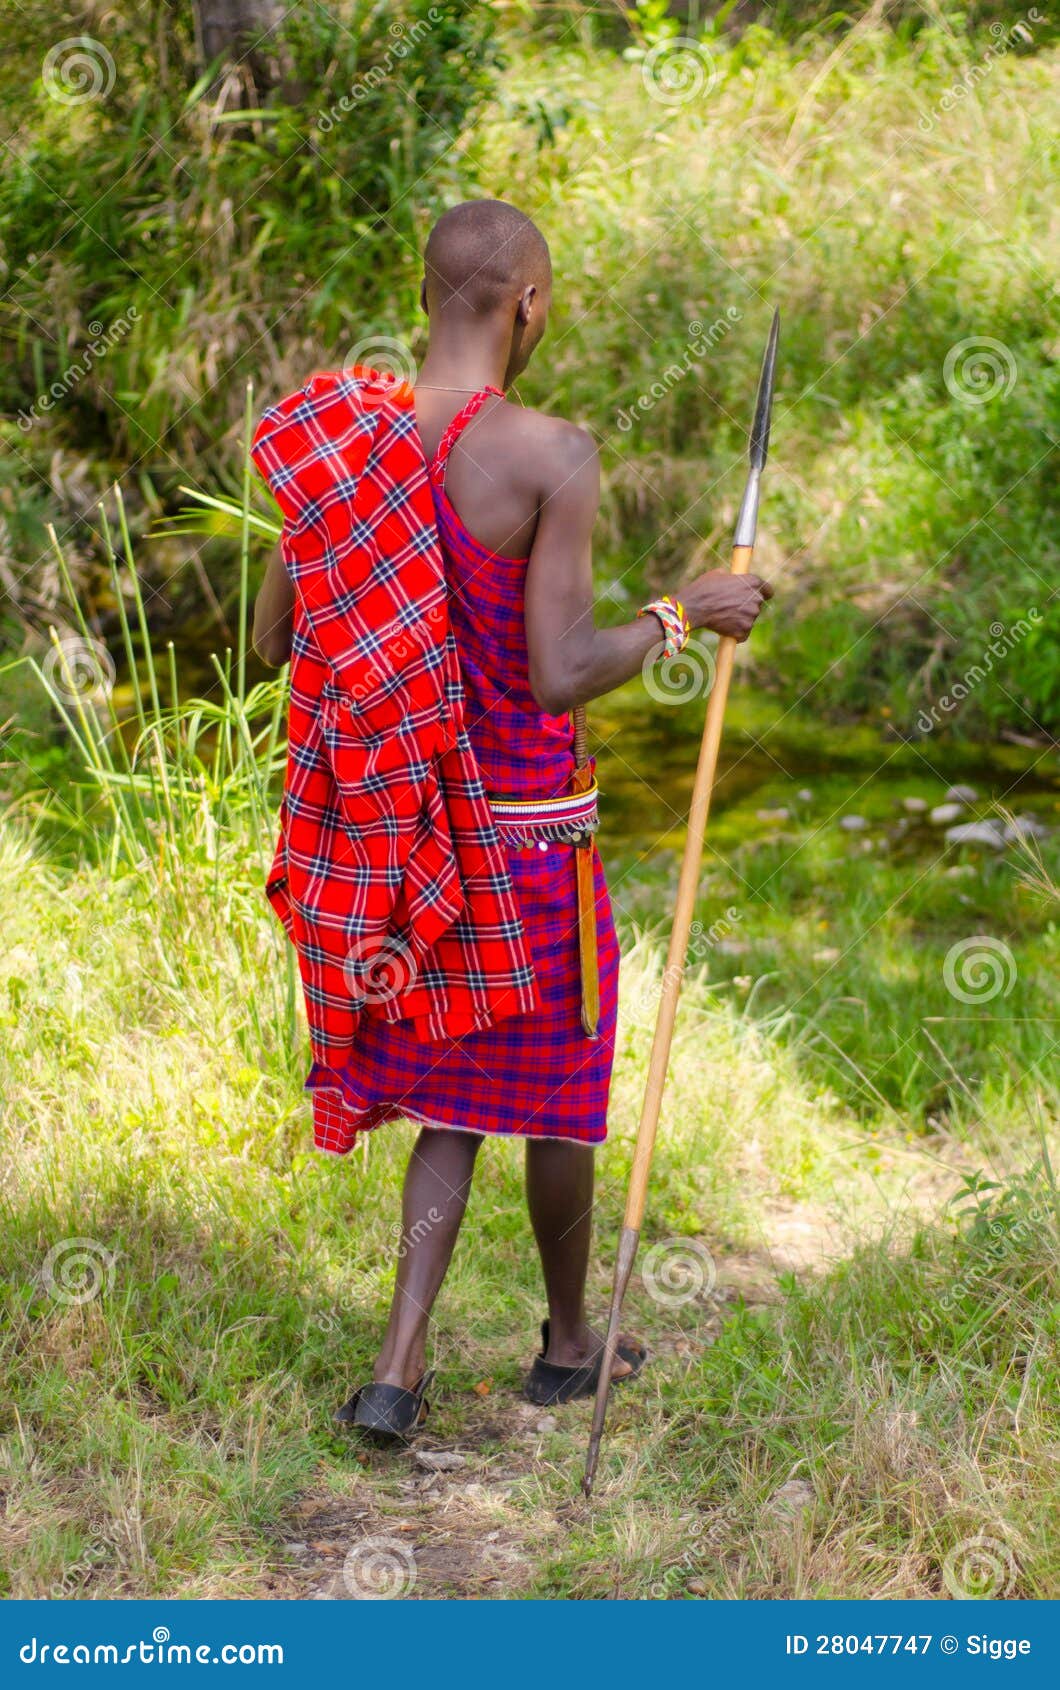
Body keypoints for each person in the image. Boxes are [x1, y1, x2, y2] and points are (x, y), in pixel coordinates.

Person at [252, 199, 771, 1437]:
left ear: (426, 289)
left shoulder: (341, 445)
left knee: (448, 1096)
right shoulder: (552, 453)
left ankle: (396, 1369)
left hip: (404, 839)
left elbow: (274, 640)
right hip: (527, 833)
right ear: (528, 302)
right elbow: (557, 669)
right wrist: (684, 613)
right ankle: (568, 1345)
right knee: (552, 1090)